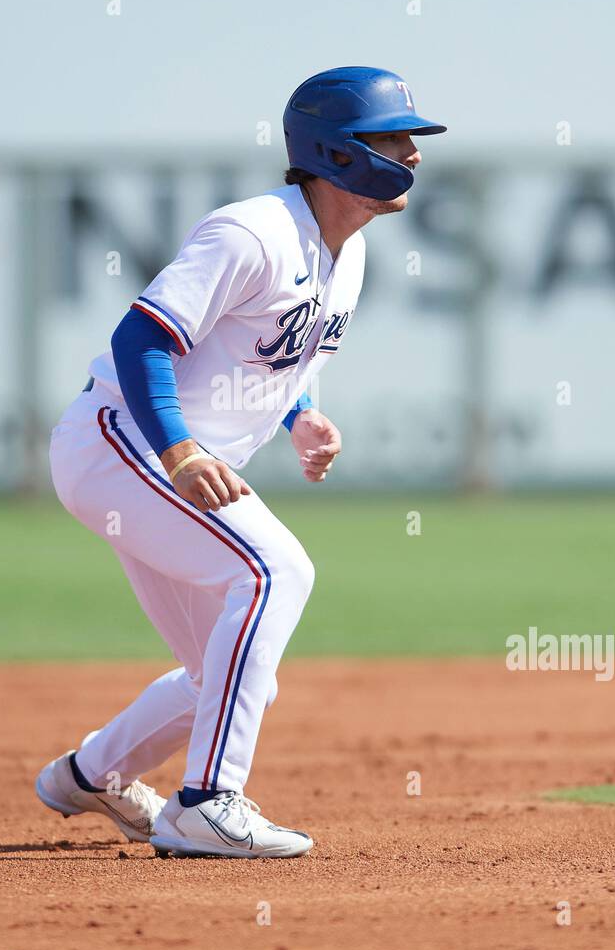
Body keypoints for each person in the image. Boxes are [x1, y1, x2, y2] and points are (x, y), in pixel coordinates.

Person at [36, 66, 446, 858]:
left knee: (221, 671)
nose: (413, 153)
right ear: (337, 151)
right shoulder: (251, 233)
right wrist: (180, 450)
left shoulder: (348, 252)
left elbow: (272, 353)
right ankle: (205, 803)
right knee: (274, 572)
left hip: (168, 461)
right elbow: (140, 339)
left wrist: (300, 414)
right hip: (121, 443)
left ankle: (90, 775)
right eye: (395, 136)